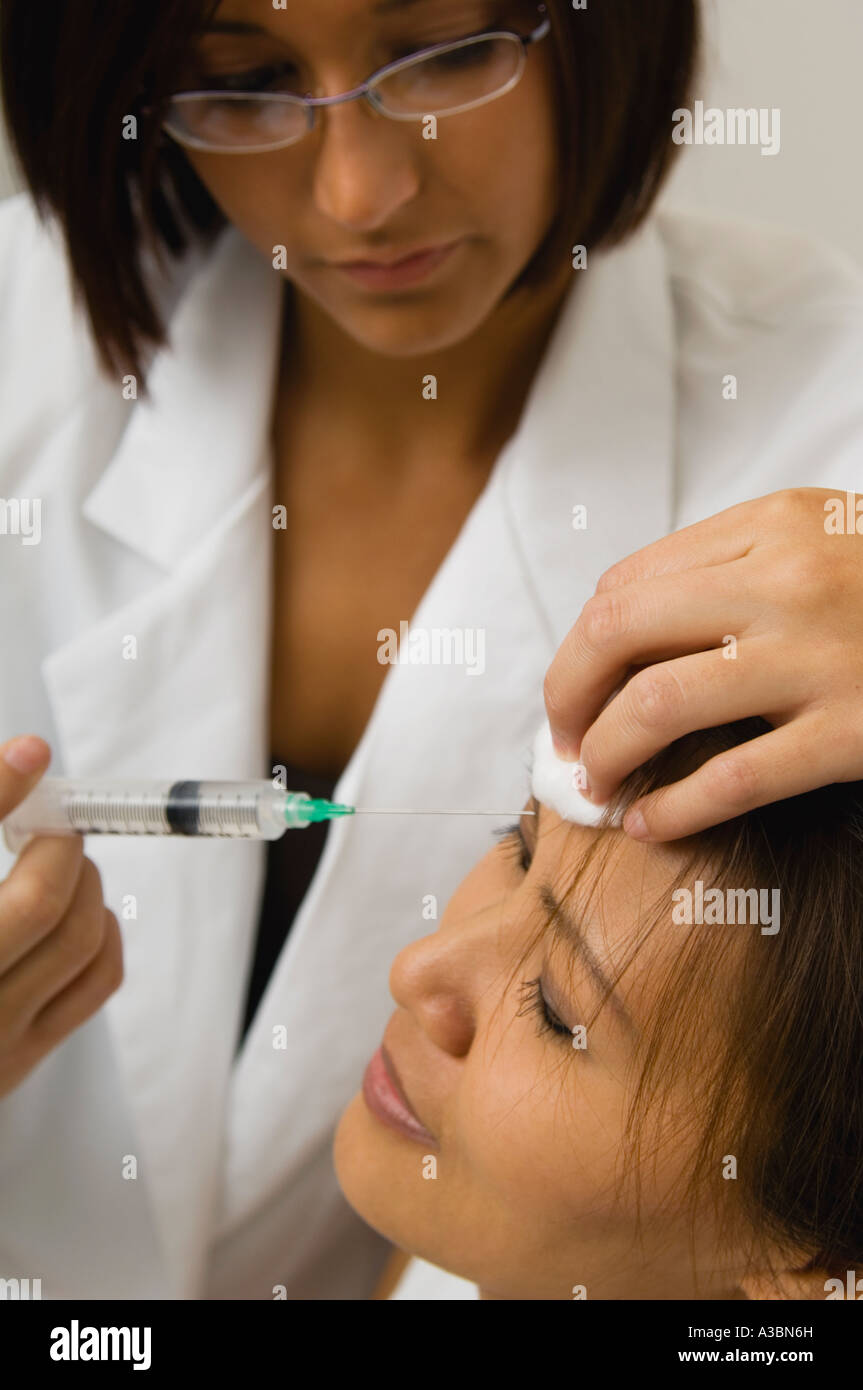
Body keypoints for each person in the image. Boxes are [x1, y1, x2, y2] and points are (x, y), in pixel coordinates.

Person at [0, 0, 862, 1299]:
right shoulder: (26, 355)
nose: (359, 193)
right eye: (243, 83)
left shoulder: (820, 431)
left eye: (448, 56)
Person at [335, 717, 863, 1300]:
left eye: (555, 1015)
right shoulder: (470, 1253)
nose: (411, 970)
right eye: (519, 850)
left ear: (825, 1272)